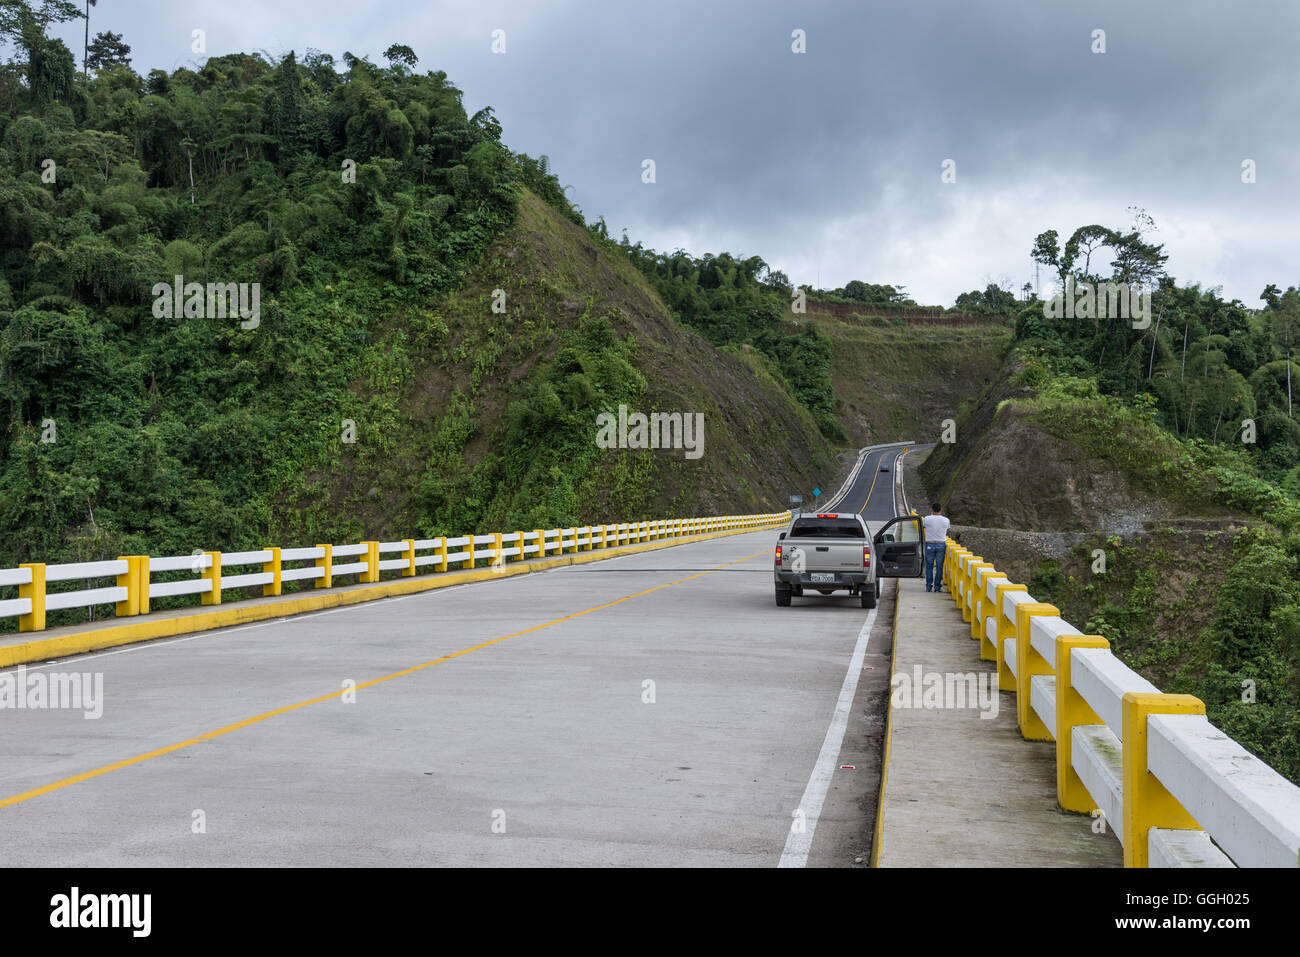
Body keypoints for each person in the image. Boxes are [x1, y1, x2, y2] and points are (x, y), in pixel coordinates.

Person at [921, 502, 950, 593]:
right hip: (941, 544)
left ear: (932, 509)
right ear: (941, 509)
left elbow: (924, 526)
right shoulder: (946, 520)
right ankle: (937, 587)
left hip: (930, 544)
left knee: (929, 566)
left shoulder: (927, 518)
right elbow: (948, 529)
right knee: (939, 566)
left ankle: (928, 587)